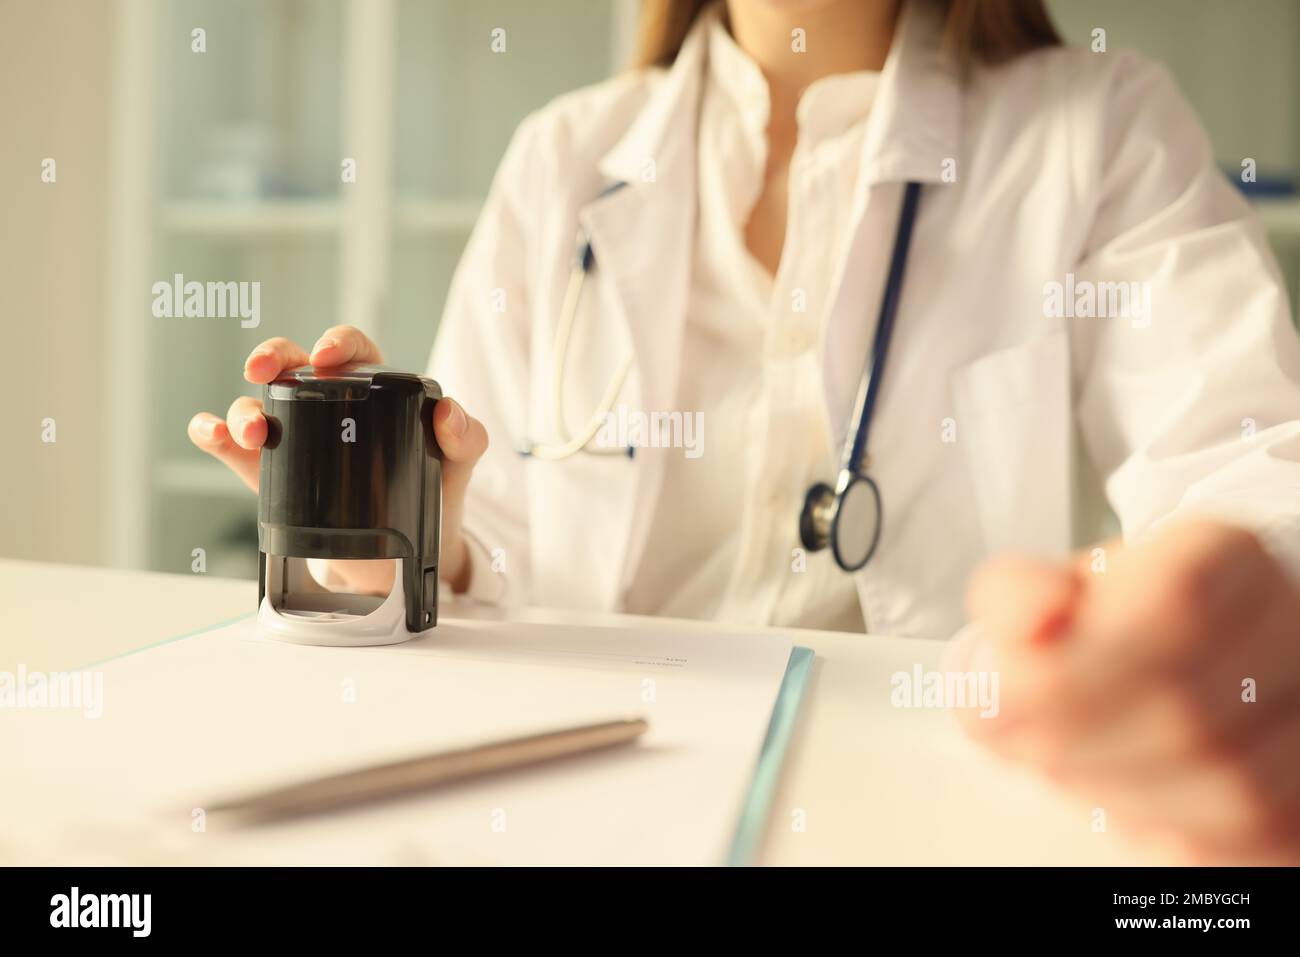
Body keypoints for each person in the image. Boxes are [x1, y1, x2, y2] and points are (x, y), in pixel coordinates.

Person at [189, 0, 1300, 863]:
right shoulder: (563, 155)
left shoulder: (1095, 127)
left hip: (919, 806)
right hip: (577, 796)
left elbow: (1248, 462)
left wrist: (1213, 623)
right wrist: (410, 533)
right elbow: (497, 564)